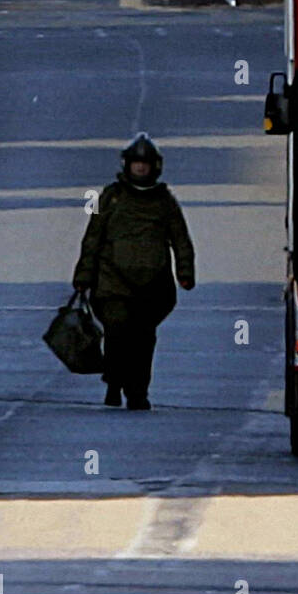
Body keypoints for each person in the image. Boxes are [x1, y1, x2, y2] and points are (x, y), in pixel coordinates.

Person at [73, 133, 195, 410]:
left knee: (143, 339)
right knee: (116, 331)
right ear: (127, 165)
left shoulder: (164, 201)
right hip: (112, 282)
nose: (140, 168)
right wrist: (83, 277)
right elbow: (92, 238)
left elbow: (180, 239)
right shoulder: (110, 197)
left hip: (152, 283)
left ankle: (138, 391)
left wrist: (185, 272)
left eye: (145, 163)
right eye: (136, 163)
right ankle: (115, 382)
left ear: (155, 167)